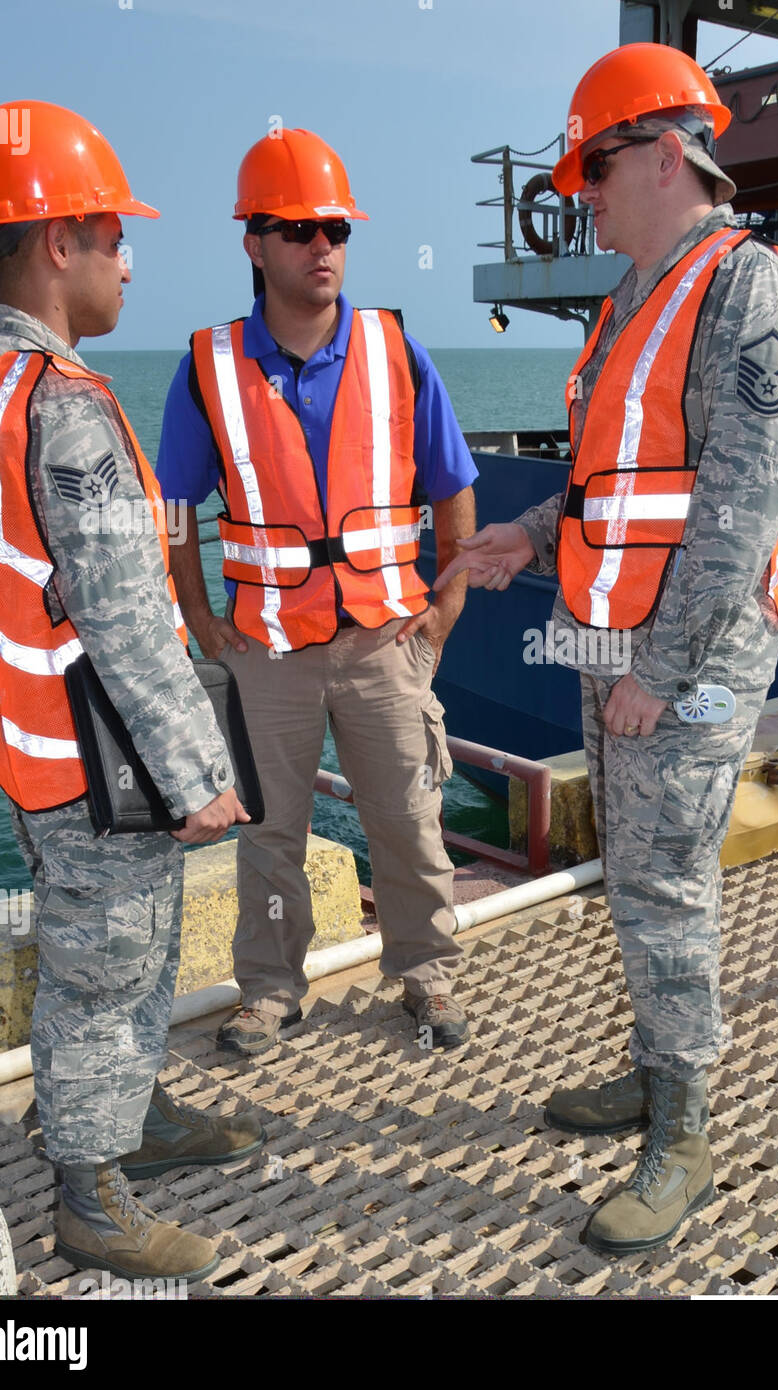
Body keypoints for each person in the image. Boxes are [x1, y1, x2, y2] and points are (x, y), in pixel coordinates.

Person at [435, 43, 778, 1257]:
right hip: (618, 649)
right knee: (638, 878)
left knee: (664, 886)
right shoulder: (632, 302)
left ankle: (684, 1132)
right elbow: (620, 489)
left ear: (665, 155)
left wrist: (661, 672)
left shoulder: (742, 288)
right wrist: (525, 535)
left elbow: (741, 504)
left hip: (682, 660)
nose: (581, 193)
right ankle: (656, 1077)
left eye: (595, 167)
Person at [0, 101, 263, 1284]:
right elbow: (127, 619)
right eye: (115, 234)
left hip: (28, 747)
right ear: (56, 240)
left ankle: (129, 1113)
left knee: (100, 954)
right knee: (107, 969)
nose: (131, 259)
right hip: (99, 757)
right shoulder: (62, 408)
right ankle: (93, 1198)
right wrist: (200, 778)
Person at [156, 128, 477, 1056]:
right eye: (296, 229)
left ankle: (428, 973)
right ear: (253, 244)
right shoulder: (208, 367)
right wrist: (203, 625)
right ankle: (267, 989)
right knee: (268, 835)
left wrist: (444, 614)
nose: (321, 246)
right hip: (265, 652)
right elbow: (175, 510)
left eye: (334, 227)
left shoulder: (395, 350)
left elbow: (454, 486)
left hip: (385, 641)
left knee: (411, 819)